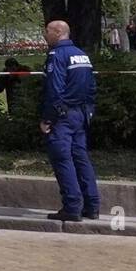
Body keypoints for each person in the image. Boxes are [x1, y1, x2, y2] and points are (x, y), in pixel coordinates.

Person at [39, 20, 98, 221]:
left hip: (62, 118)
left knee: (62, 159)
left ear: (57, 32)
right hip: (80, 115)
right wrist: (89, 111)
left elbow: (54, 90)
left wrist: (48, 118)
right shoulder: (81, 54)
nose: (44, 35)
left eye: (47, 31)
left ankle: (72, 207)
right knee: (81, 159)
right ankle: (92, 206)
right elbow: (91, 87)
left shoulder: (57, 56)